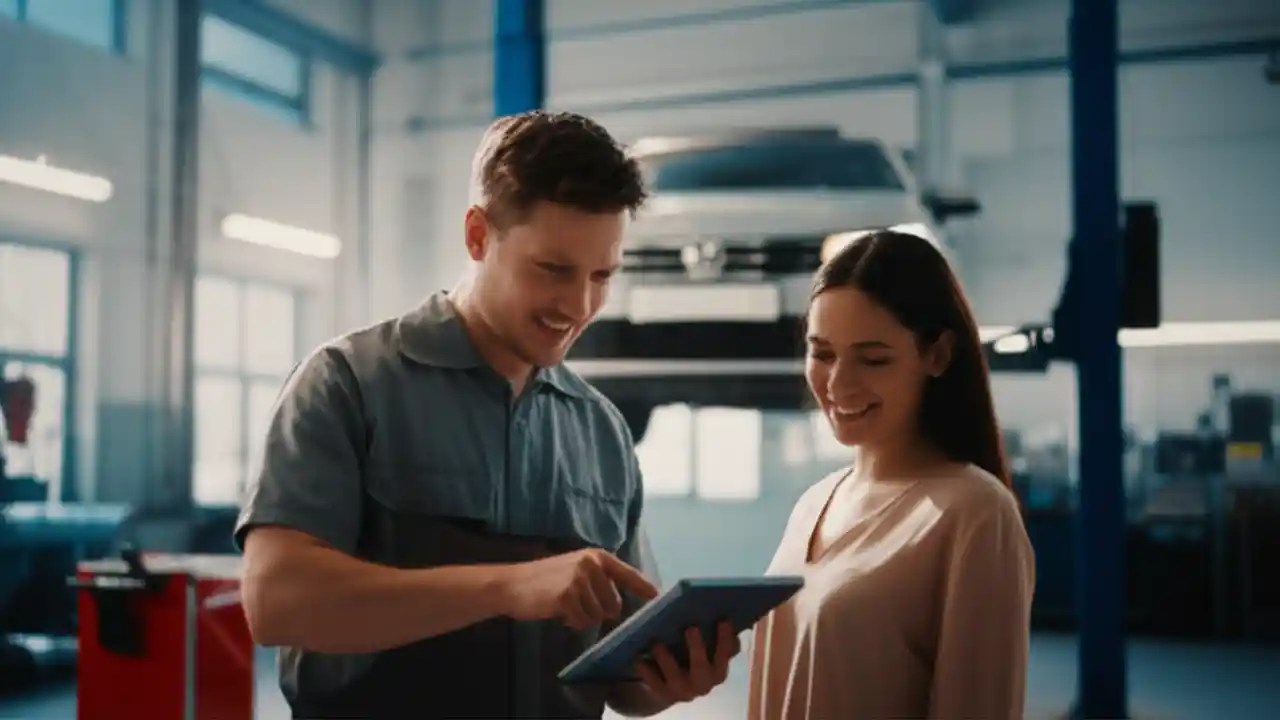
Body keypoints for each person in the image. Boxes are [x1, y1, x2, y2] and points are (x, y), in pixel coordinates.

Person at [234, 111, 738, 719]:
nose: (580, 306)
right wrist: (507, 586)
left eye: (602, 275)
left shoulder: (601, 430)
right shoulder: (348, 384)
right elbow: (277, 601)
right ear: (478, 236)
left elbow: (625, 678)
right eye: (553, 270)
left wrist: (670, 679)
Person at [747, 229, 1036, 720]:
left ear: (937, 355)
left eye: (873, 359)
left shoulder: (975, 514)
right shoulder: (814, 503)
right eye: (822, 354)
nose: (838, 383)